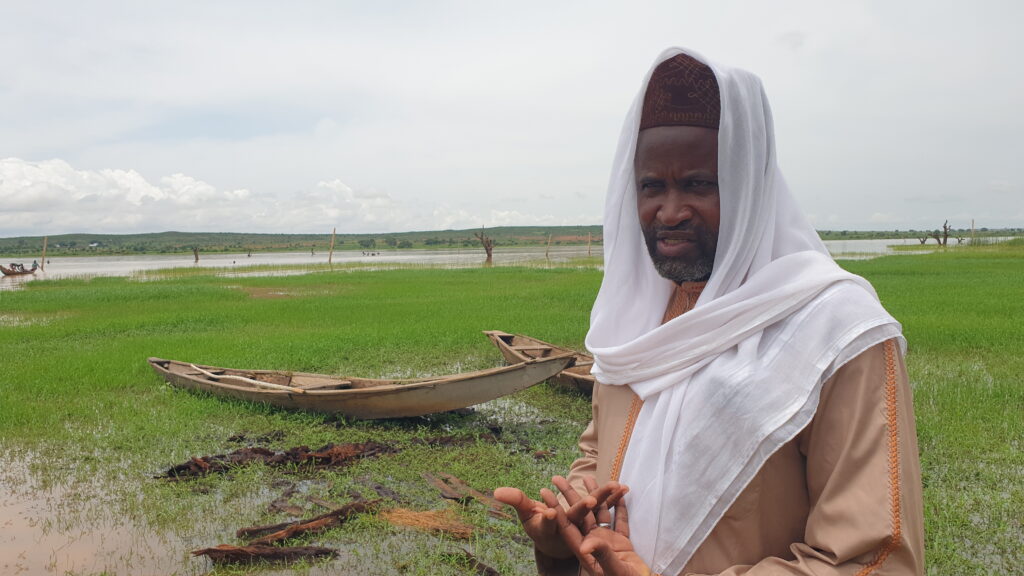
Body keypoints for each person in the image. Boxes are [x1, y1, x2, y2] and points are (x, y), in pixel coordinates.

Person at [495, 48, 924, 576]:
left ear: (750, 185)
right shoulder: (633, 321)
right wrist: (566, 529)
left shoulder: (836, 330)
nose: (670, 212)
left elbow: (872, 558)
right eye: (653, 186)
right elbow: (598, 457)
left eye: (700, 184)